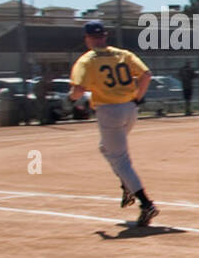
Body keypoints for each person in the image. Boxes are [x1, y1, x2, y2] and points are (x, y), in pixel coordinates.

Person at [67, 21, 159, 227]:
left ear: (88, 38)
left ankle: (145, 203)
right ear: (105, 36)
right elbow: (146, 75)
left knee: (120, 160)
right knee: (105, 149)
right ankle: (127, 185)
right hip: (130, 109)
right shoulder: (122, 54)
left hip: (109, 111)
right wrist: (138, 98)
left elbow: (78, 90)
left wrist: (71, 99)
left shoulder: (86, 60)